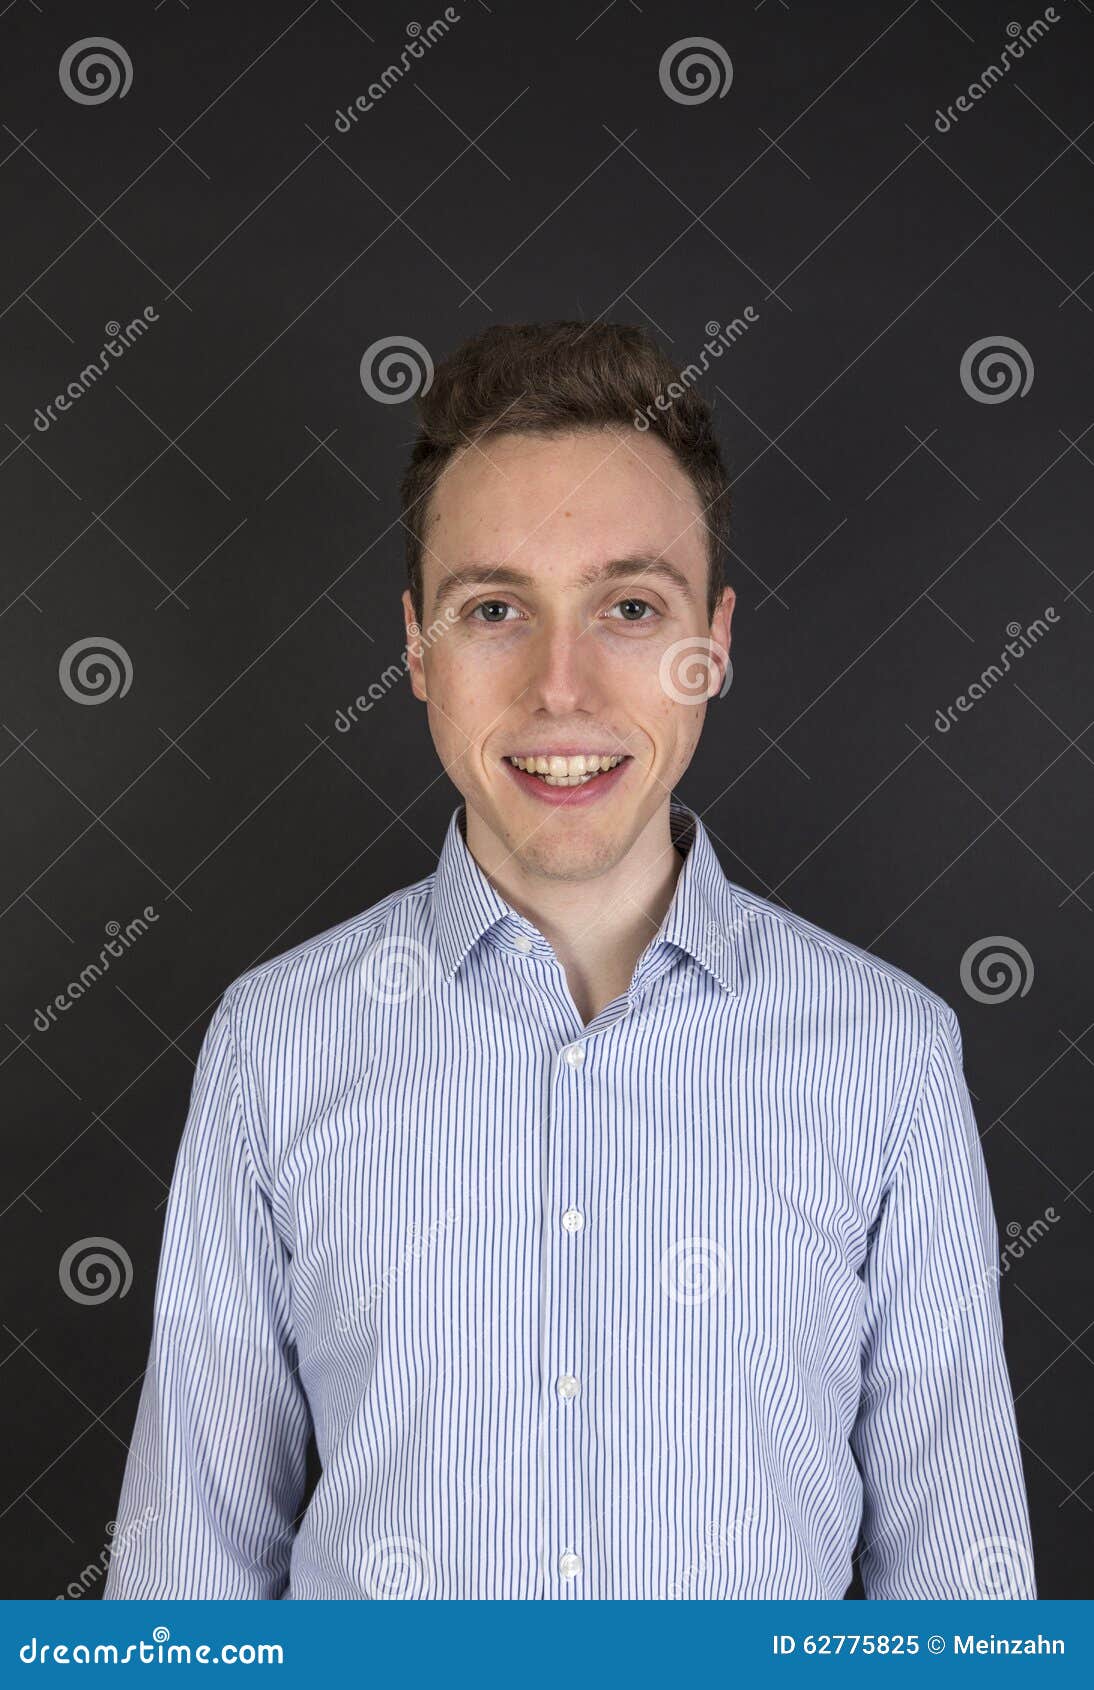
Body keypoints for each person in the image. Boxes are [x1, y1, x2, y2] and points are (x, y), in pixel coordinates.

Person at [103, 322, 1035, 1600]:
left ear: (710, 643)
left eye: (629, 608)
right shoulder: (273, 1044)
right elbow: (184, 1593)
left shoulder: (890, 1052)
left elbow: (958, 1610)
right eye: (495, 609)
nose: (560, 687)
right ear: (417, 651)